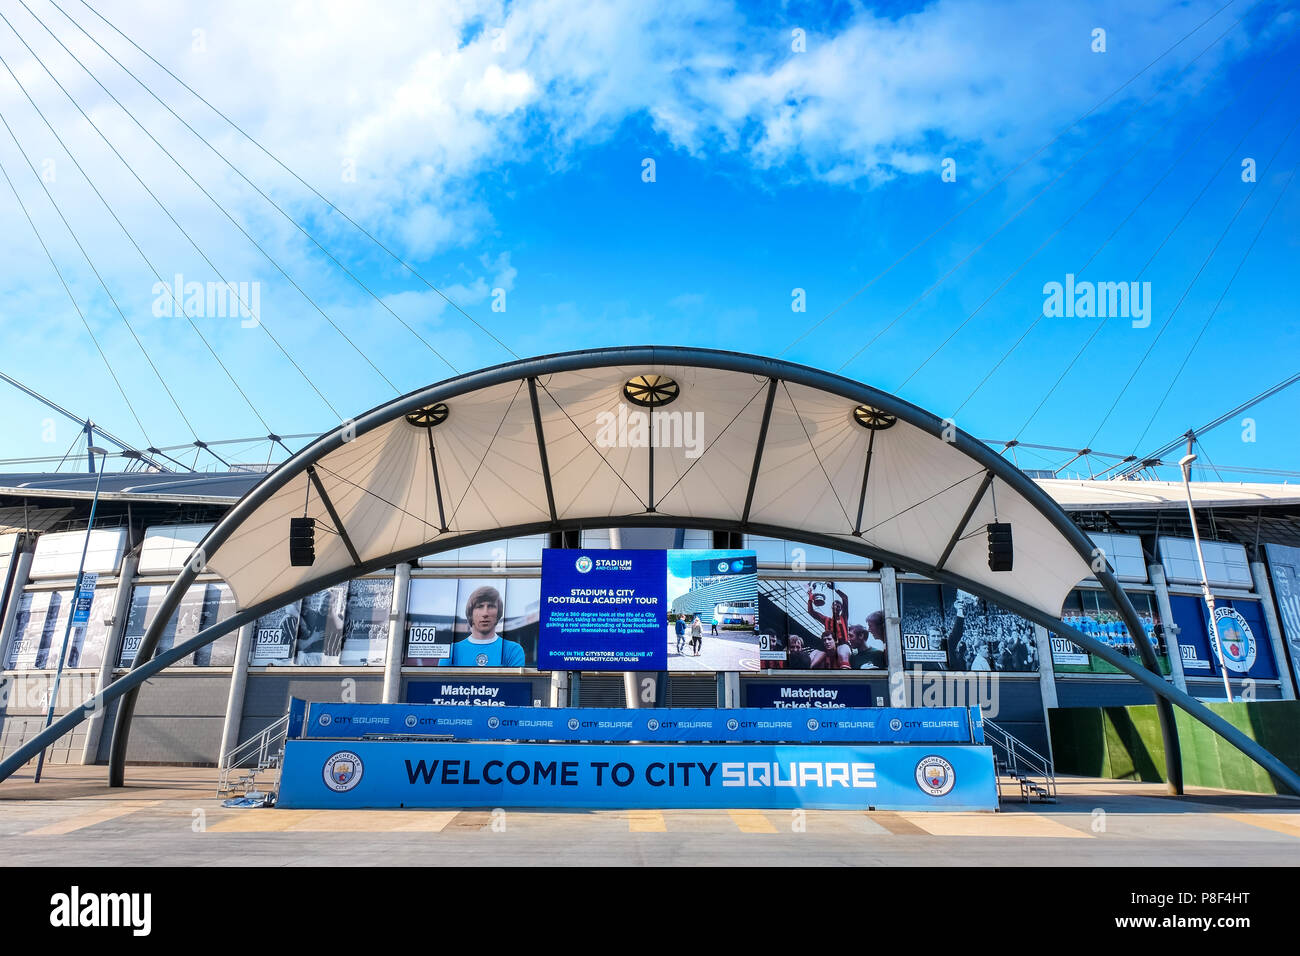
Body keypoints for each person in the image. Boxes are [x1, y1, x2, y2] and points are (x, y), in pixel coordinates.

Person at [440, 585, 525, 667]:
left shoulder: (513, 650)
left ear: (498, 613)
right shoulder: (451, 652)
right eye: (480, 606)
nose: (485, 613)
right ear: (470, 613)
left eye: (491, 606)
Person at [807, 582, 851, 668]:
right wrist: (810, 598)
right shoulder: (826, 620)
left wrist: (835, 589)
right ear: (831, 607)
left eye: (839, 606)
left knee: (842, 651)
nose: (836, 607)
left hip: (842, 645)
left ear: (841, 609)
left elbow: (845, 598)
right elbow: (811, 612)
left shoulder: (843, 617)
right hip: (829, 648)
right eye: (835, 605)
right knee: (814, 654)